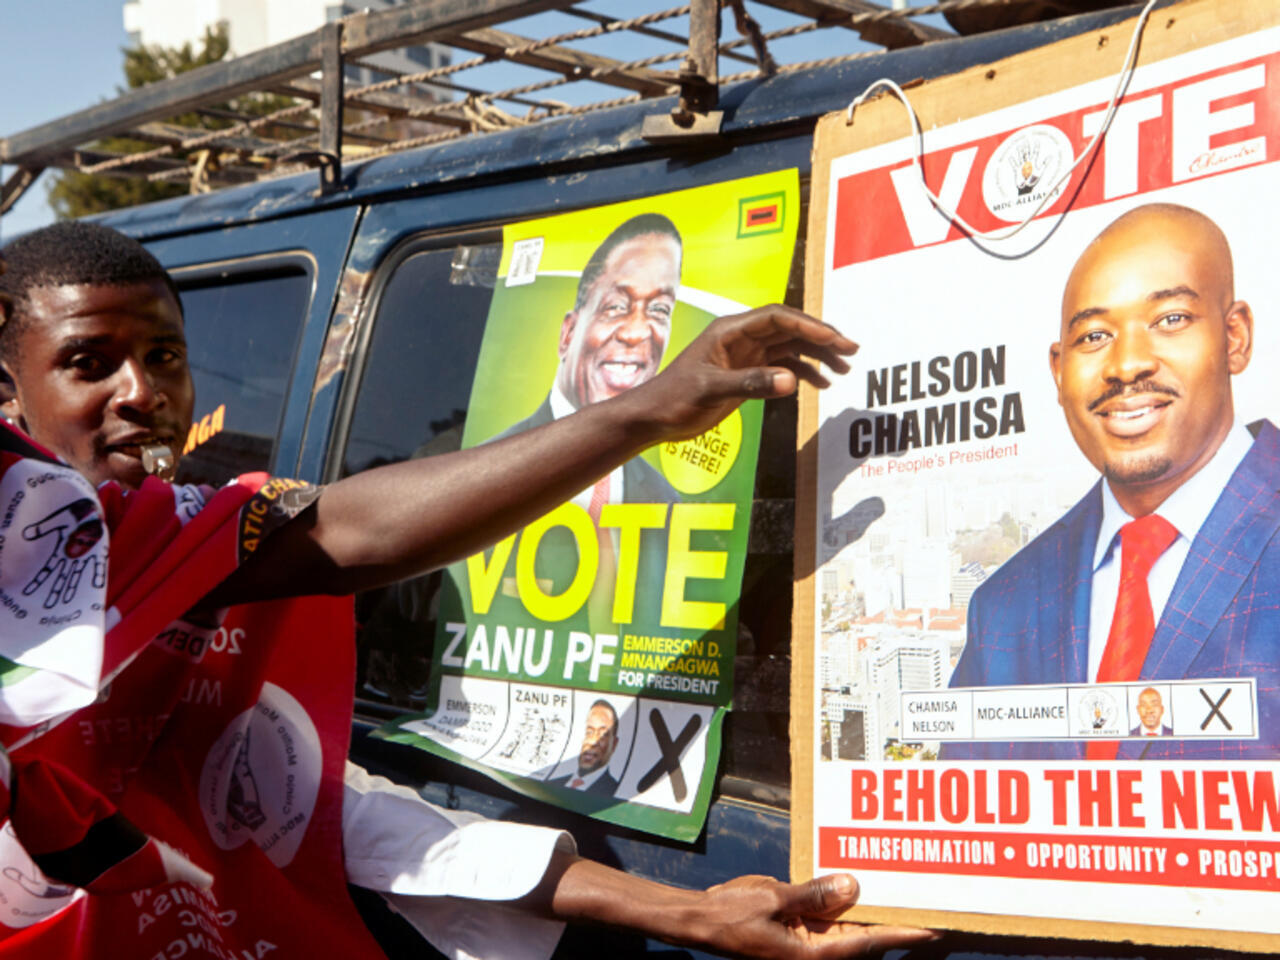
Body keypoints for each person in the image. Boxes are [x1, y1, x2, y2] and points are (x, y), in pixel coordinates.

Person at [0, 222, 933, 958]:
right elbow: (352, 538)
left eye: (166, 358)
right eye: (90, 362)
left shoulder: (173, 541)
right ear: (8, 396)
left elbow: (326, 799)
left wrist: (683, 910)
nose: (143, 392)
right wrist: (644, 412)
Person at [948, 203, 1280, 761]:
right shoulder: (1003, 605)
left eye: (1170, 319)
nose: (1126, 364)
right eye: (1095, 335)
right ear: (1059, 372)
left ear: (1234, 337)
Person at [550, 699, 620, 795]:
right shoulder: (552, 784)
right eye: (589, 732)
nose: (593, 741)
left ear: (614, 744)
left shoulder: (616, 791)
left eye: (603, 735)